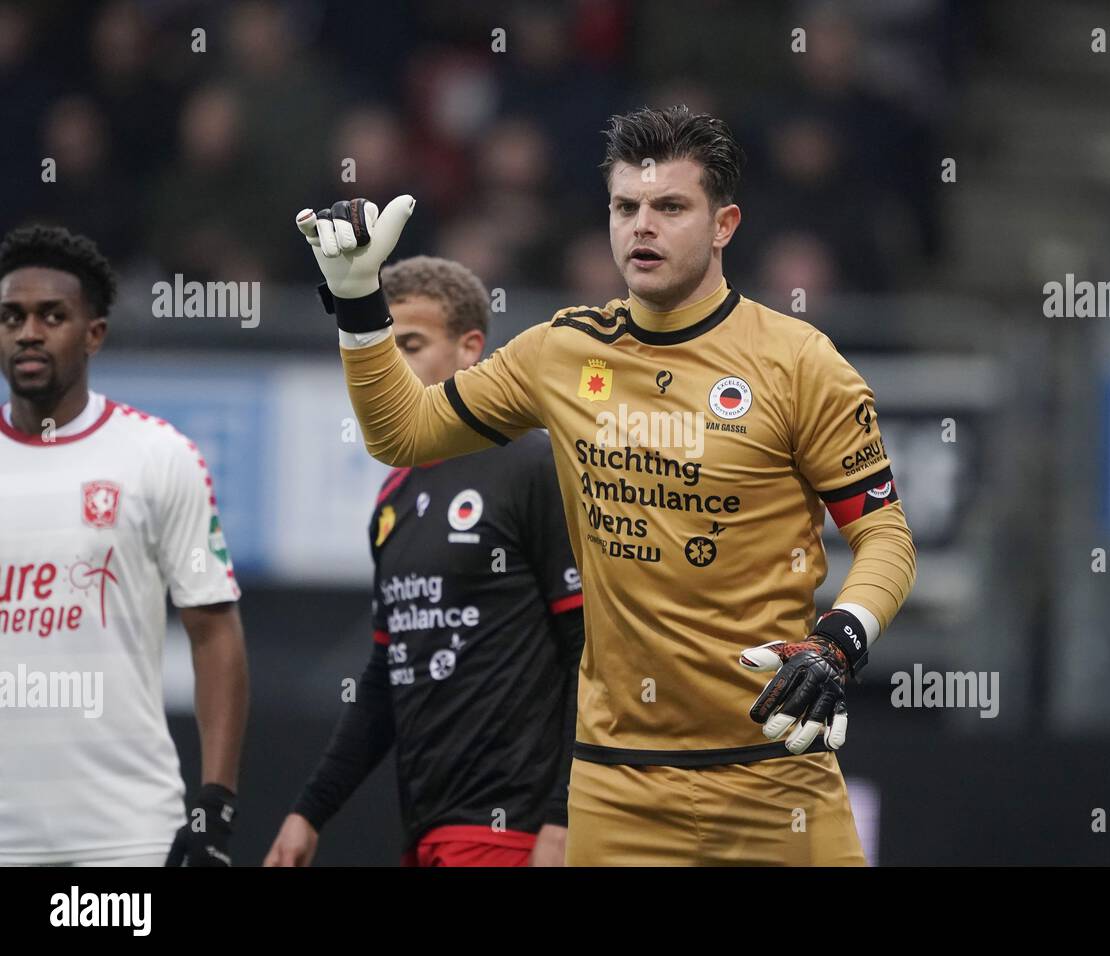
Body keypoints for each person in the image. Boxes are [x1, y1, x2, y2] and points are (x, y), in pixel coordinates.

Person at [296, 105, 916, 865]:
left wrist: (839, 642)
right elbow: (404, 433)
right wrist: (359, 310)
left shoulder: (800, 363)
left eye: (669, 207)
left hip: (773, 778)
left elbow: (884, 535)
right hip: (615, 791)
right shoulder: (561, 352)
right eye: (626, 207)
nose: (641, 227)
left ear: (724, 225)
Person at [264, 256, 583, 867]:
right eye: (382, 345)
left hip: (512, 829)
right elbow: (386, 673)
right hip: (428, 824)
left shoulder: (530, 464)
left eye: (409, 343)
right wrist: (311, 811)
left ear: (470, 349)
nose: (390, 364)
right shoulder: (394, 495)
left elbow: (589, 649)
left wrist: (563, 818)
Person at [0, 225, 248, 866]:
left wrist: (215, 807)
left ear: (94, 333)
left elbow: (214, 633)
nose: (29, 332)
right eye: (12, 317)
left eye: (52, 316)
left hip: (127, 832)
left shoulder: (159, 458)